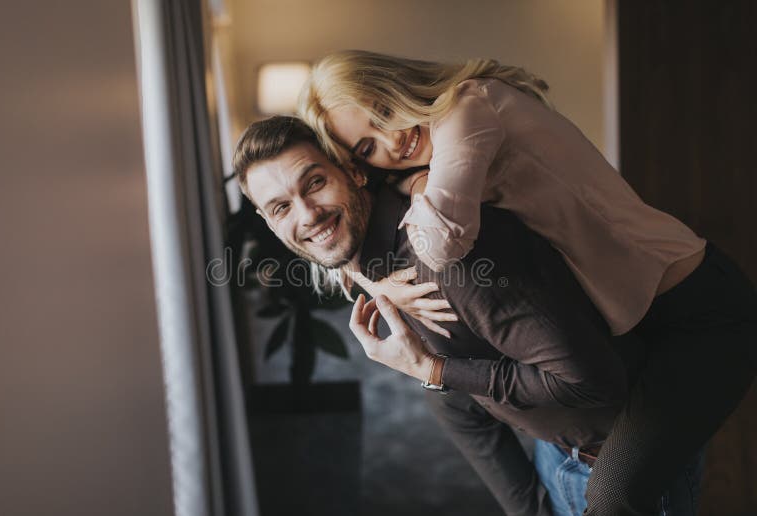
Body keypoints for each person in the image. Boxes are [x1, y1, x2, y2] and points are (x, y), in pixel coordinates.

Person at [296, 50, 757, 515]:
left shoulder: (469, 109)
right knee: (460, 404)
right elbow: (343, 243)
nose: (392, 141)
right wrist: (372, 278)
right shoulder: (430, 160)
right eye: (368, 148)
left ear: (395, 85)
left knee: (613, 495)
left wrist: (410, 193)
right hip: (642, 324)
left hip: (701, 312)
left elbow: (441, 244)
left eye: (382, 113)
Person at [231, 116, 716, 515]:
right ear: (268, 222)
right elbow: (456, 399)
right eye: (280, 207)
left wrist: (432, 370)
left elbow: (593, 381)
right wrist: (526, 507)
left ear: (352, 172)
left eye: (314, 183)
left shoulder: (446, 259)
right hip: (555, 453)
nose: (307, 215)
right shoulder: (373, 263)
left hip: (618, 470)